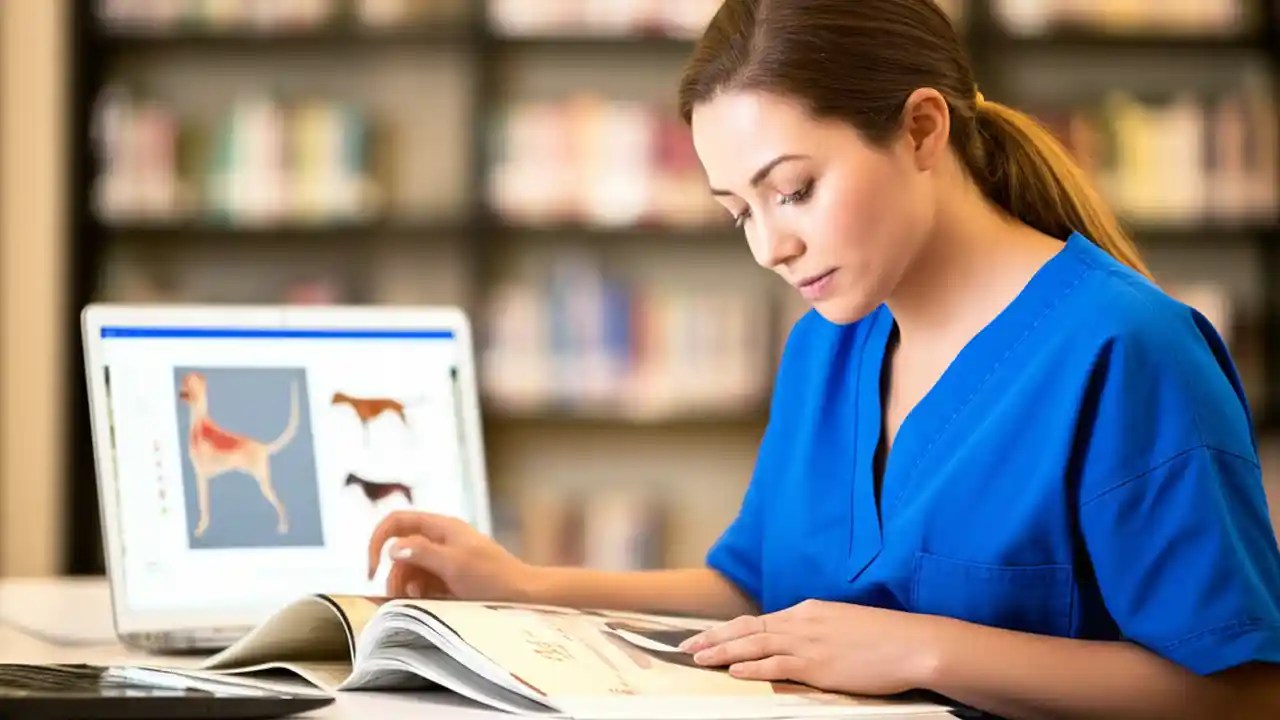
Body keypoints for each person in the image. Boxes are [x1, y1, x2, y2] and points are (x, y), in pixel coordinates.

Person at [366, 0, 1280, 716]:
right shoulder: (828, 345)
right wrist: (525, 586)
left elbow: (1241, 695)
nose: (770, 248)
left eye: (793, 191)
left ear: (923, 130)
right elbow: (757, 589)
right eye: (739, 212)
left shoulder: (1126, 352)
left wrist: (921, 649)